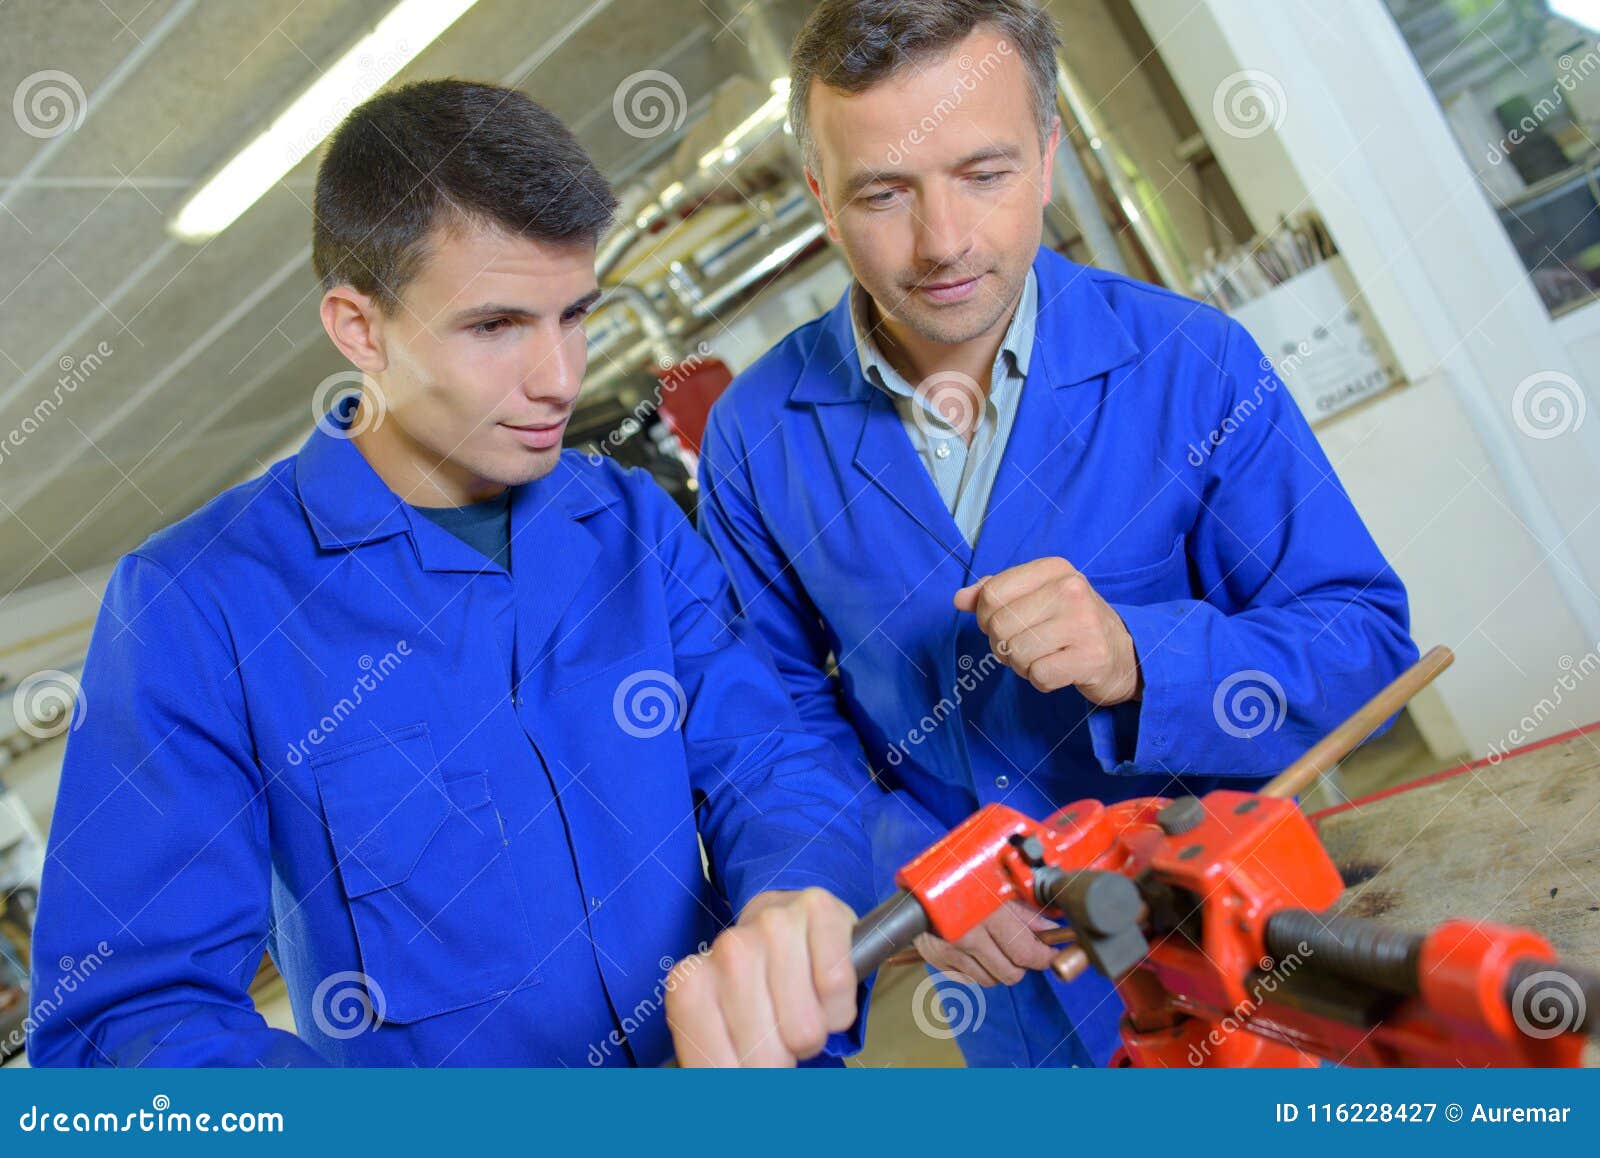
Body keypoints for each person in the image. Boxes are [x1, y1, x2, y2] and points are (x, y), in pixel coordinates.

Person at [29, 80, 872, 1068]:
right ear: (359, 328)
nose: (559, 377)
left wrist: (795, 896)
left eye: (573, 315)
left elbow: (768, 763)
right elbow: (125, 1024)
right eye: (495, 327)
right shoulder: (201, 607)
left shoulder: (630, 526)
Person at [696, 0, 1418, 1067]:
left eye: (982, 174)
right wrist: (915, 867)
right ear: (822, 201)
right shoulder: (758, 436)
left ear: (1046, 157)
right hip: (1007, 1001)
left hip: (1246, 956)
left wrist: (1141, 658)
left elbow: (1363, 650)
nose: (942, 242)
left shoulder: (1194, 365)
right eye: (884, 193)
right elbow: (767, 729)